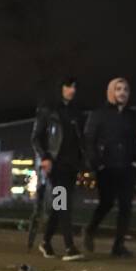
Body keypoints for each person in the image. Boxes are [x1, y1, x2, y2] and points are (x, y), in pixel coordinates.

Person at [82, 77, 136, 256]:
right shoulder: (99, 114)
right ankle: (90, 230)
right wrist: (97, 163)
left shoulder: (132, 116)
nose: (122, 93)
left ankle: (119, 245)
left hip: (127, 167)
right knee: (106, 203)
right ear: (111, 91)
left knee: (126, 205)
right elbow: (89, 140)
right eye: (118, 89)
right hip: (106, 167)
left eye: (125, 90)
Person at [31, 76, 84, 260]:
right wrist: (45, 157)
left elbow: (80, 140)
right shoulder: (48, 111)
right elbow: (36, 138)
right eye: (69, 86)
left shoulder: (77, 113)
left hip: (71, 165)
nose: (72, 90)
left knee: (59, 204)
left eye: (74, 87)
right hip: (56, 164)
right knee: (64, 203)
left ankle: (45, 241)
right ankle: (69, 246)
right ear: (61, 88)